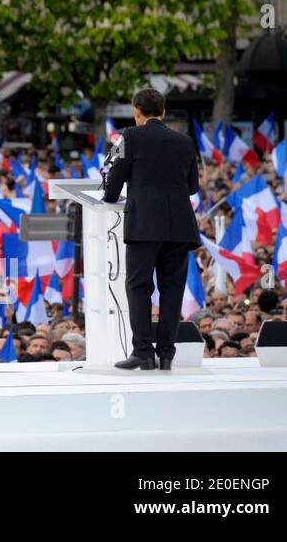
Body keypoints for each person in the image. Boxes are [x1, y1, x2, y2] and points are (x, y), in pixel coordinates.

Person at [102, 87, 201, 370]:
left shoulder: (130, 136)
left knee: (138, 286)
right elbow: (193, 187)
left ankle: (143, 352)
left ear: (137, 111)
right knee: (172, 289)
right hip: (180, 226)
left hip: (144, 225)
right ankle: (167, 354)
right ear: (163, 112)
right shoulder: (184, 141)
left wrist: (111, 196)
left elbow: (115, 181)